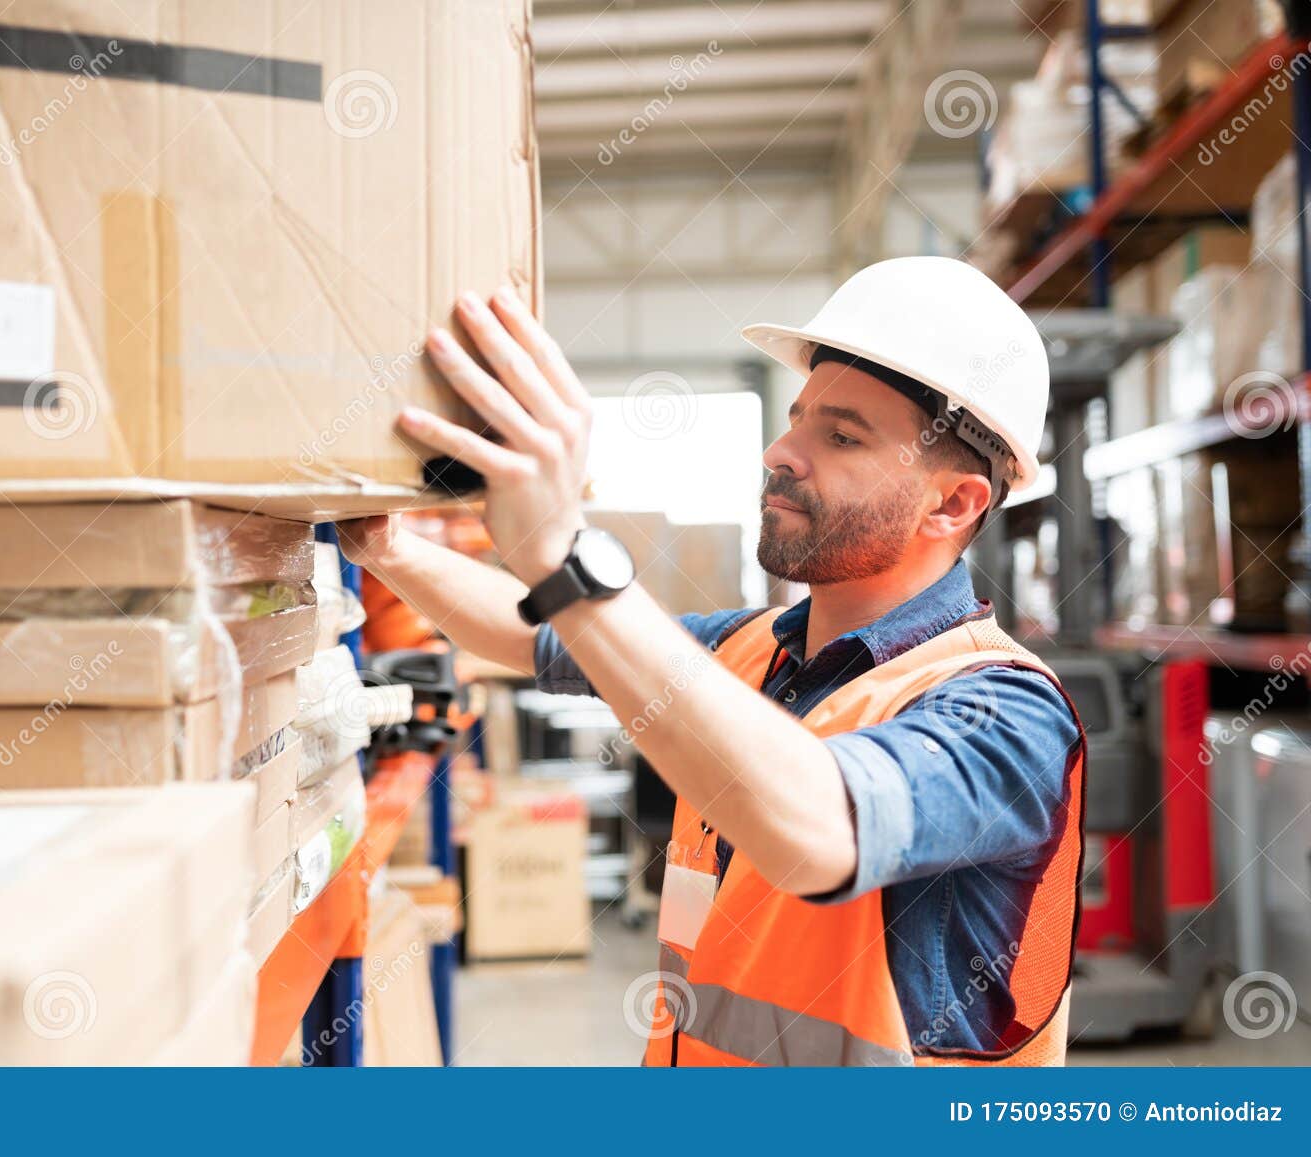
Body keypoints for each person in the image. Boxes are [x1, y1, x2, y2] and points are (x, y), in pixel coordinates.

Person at [339, 256, 1085, 1067]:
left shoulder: (1007, 713)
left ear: (953, 502)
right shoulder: (750, 648)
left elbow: (821, 830)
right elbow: (532, 633)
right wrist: (381, 544)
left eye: (841, 436)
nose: (782, 451)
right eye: (797, 420)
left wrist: (567, 556)